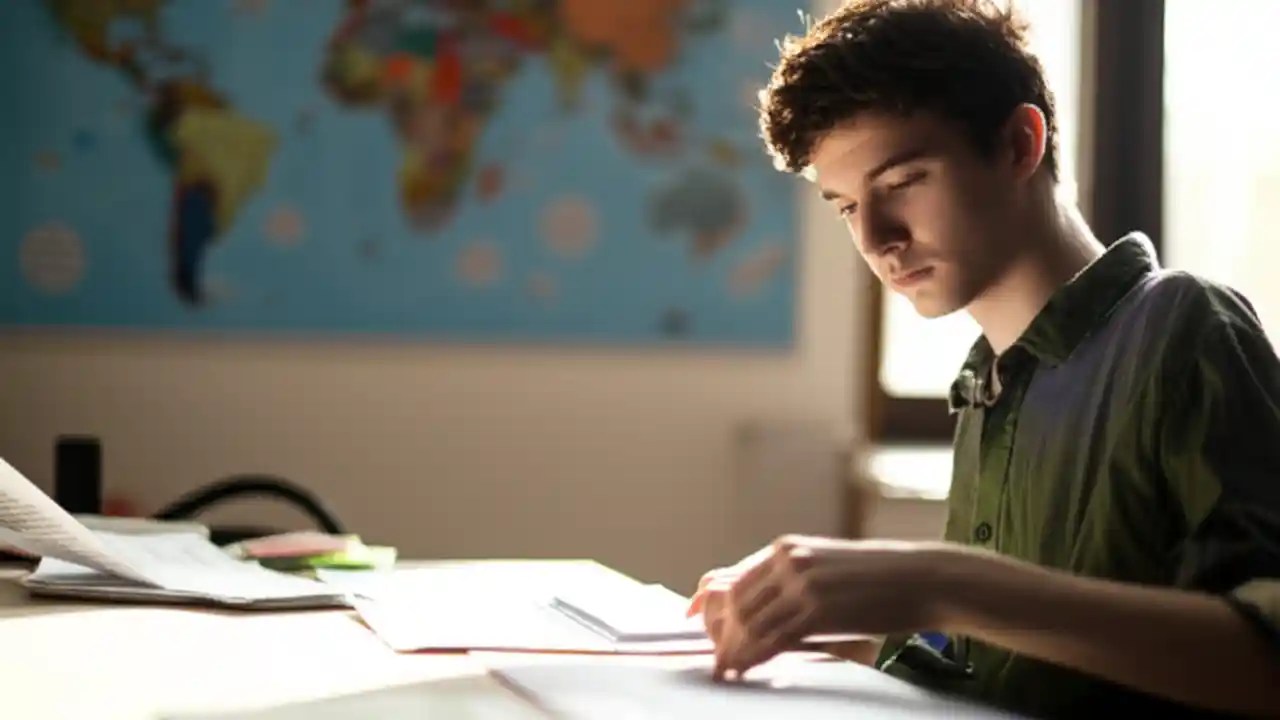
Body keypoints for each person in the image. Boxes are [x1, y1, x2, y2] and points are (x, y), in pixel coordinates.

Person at [685, 0, 1280, 717]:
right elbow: (1013, 671)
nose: (876, 239)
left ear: (1019, 145)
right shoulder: (988, 379)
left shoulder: (1182, 328)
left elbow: (1266, 663)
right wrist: (833, 631)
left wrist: (943, 584)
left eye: (903, 182)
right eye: (846, 207)